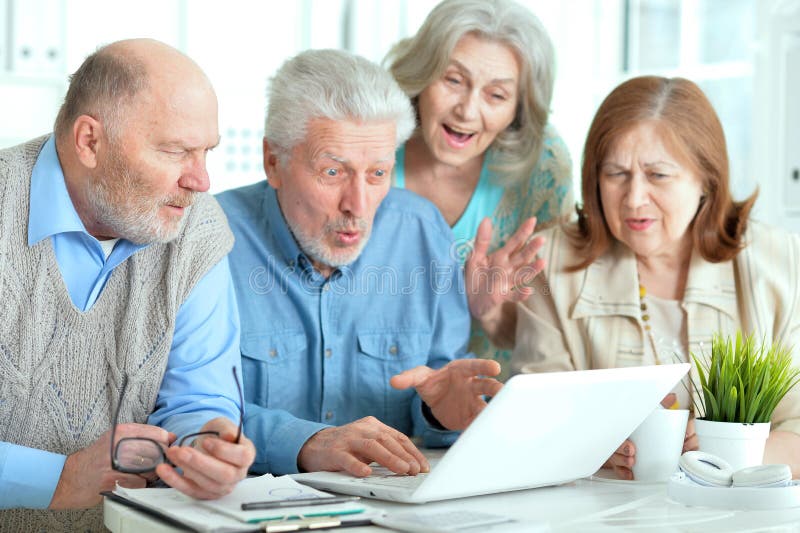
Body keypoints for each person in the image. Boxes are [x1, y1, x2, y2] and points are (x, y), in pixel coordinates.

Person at [0, 39, 255, 530]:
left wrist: (207, 444)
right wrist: (59, 478)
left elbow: (198, 397)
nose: (200, 180)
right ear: (90, 141)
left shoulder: (194, 229)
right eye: (176, 151)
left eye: (205, 152)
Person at [216, 49, 502, 478]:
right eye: (333, 173)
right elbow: (184, 409)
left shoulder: (421, 231)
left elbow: (439, 383)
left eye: (377, 174)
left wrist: (440, 411)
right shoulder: (211, 242)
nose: (359, 206)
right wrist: (306, 442)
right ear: (273, 161)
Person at [512, 75, 800, 480]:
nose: (633, 199)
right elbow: (535, 417)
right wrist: (592, 447)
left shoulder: (781, 262)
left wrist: (735, 452)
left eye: (658, 175)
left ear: (706, 181)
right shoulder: (550, 262)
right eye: (615, 174)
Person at [384, 0, 574, 379]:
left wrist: (487, 310)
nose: (467, 111)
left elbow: (540, 338)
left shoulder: (543, 167)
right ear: (421, 75)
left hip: (484, 398)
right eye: (453, 80)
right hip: (371, 394)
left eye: (496, 95)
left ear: (519, 110)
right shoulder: (373, 139)